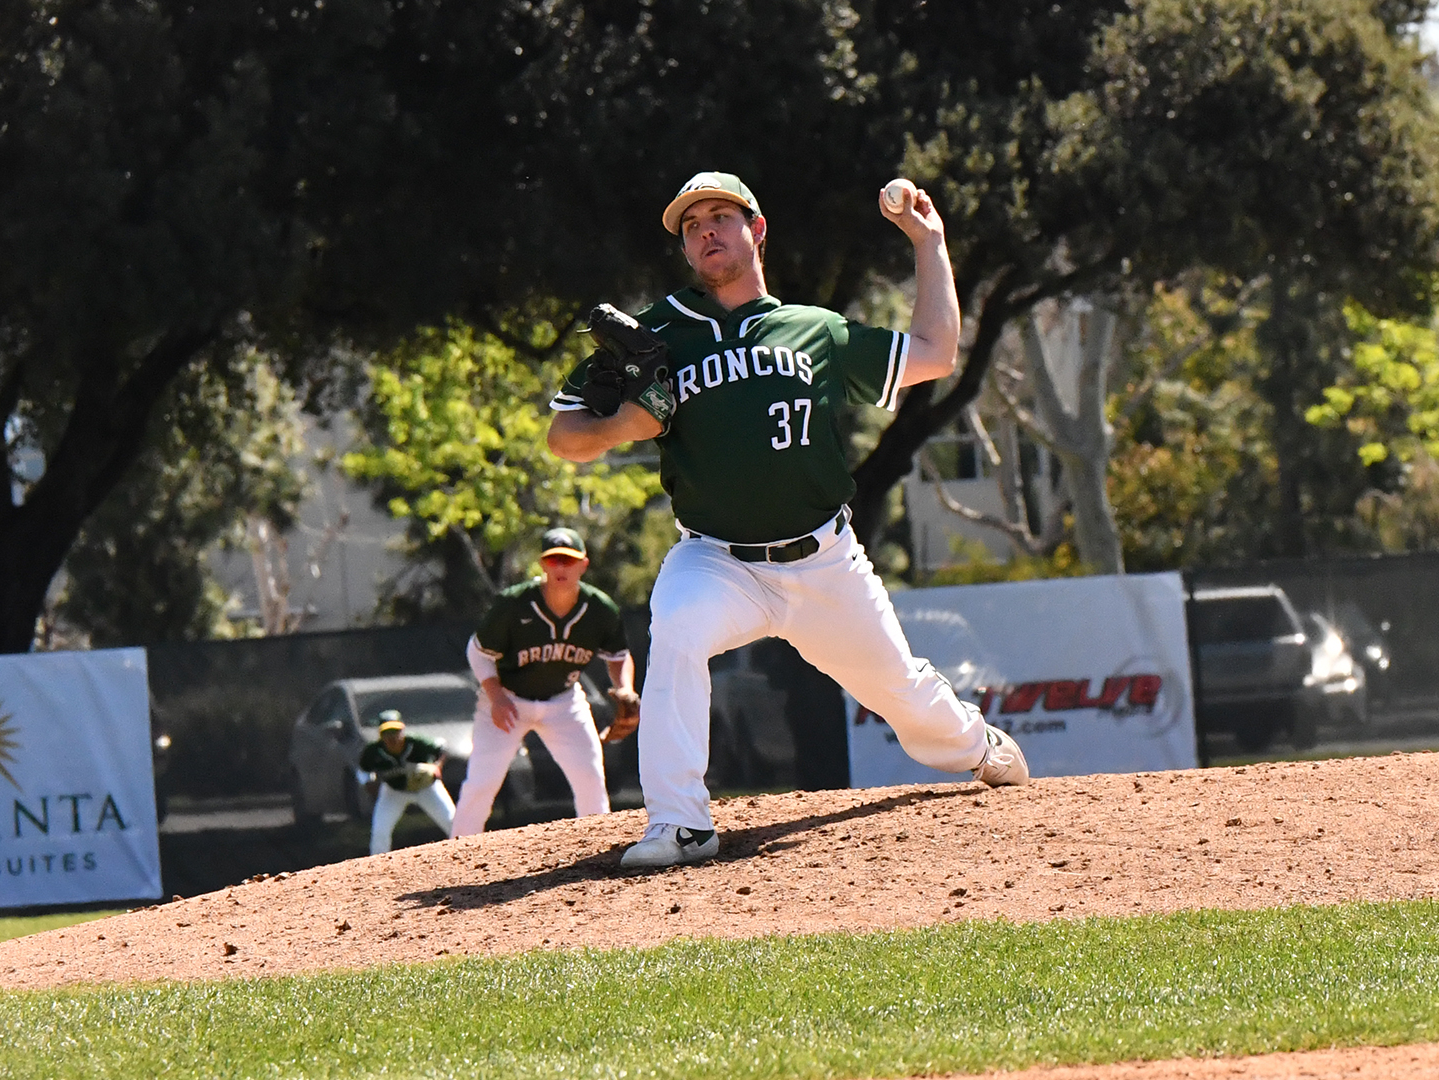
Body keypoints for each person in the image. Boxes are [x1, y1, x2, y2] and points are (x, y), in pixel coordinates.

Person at [547, 171, 1029, 869]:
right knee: (676, 627)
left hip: (825, 561)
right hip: (717, 559)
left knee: (900, 690)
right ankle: (681, 825)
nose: (706, 232)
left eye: (720, 216)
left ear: (757, 229)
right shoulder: (656, 333)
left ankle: (976, 744)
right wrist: (625, 424)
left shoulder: (815, 330)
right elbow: (564, 437)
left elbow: (935, 353)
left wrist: (929, 244)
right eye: (692, 226)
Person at [451, 527, 639, 837]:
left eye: (569, 560)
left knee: (590, 777)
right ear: (542, 564)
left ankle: (600, 846)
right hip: (508, 700)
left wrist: (625, 688)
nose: (561, 567)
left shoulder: (599, 609)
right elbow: (477, 651)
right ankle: (458, 852)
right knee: (482, 784)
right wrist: (496, 697)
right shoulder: (514, 604)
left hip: (564, 702)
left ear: (584, 564)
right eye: (554, 560)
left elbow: (619, 656)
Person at [359, 712, 455, 855]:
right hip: (394, 792)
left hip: (427, 788)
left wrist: (437, 766)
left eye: (395, 731)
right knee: (380, 831)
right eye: (387, 733)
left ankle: (468, 854)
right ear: (380, 734)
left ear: (402, 730)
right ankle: (376, 864)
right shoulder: (374, 750)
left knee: (452, 821)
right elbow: (363, 768)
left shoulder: (416, 742)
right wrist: (367, 781)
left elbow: (442, 748)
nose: (392, 737)